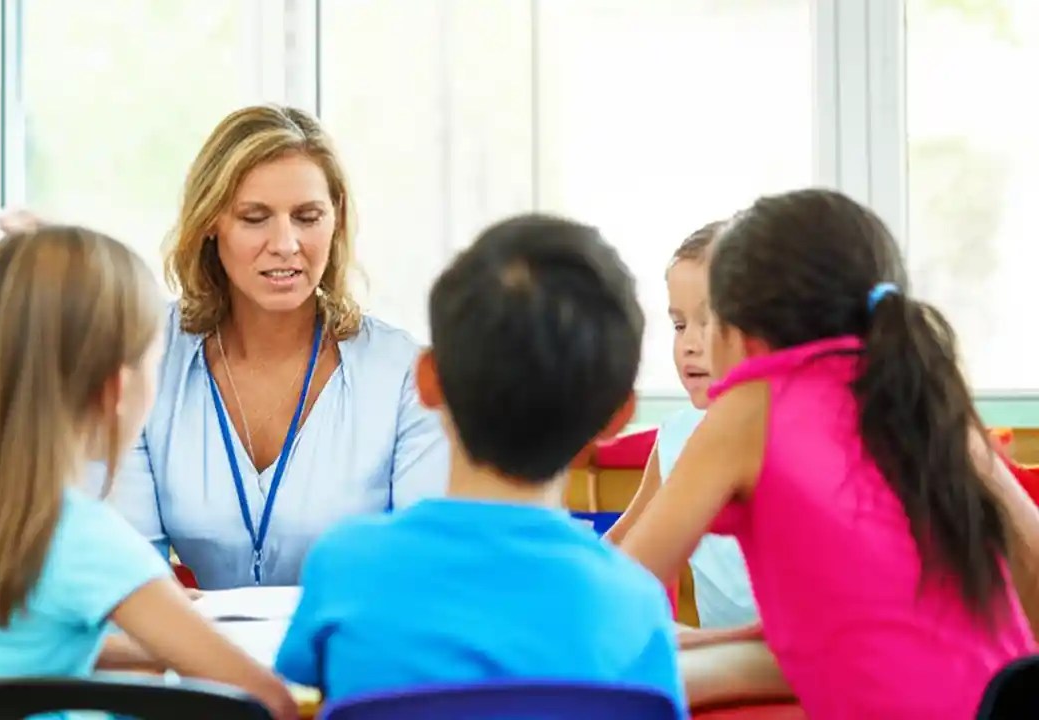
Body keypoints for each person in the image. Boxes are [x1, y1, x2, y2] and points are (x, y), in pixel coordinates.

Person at [0, 226, 297, 720]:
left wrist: (159, 648)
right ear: (116, 389)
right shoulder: (80, 534)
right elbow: (266, 702)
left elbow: (9, 649)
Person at [622, 188, 1039, 719]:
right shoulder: (925, 394)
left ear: (739, 328)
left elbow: (626, 590)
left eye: (708, 319)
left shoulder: (751, 406)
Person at [7, 104, 448, 589]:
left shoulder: (400, 372)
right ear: (212, 222)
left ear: (336, 220)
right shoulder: (146, 353)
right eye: (255, 218)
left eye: (307, 217)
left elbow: (423, 570)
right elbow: (127, 572)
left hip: (348, 654)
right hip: (184, 651)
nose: (286, 243)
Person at [274, 215, 684, 709]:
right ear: (619, 416)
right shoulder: (634, 606)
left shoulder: (345, 565)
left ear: (426, 381)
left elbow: (298, 679)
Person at [607, 221, 758, 633]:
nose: (689, 344)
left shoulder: (795, 440)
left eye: (707, 322)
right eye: (678, 325)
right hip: (731, 659)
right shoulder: (676, 436)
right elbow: (623, 549)